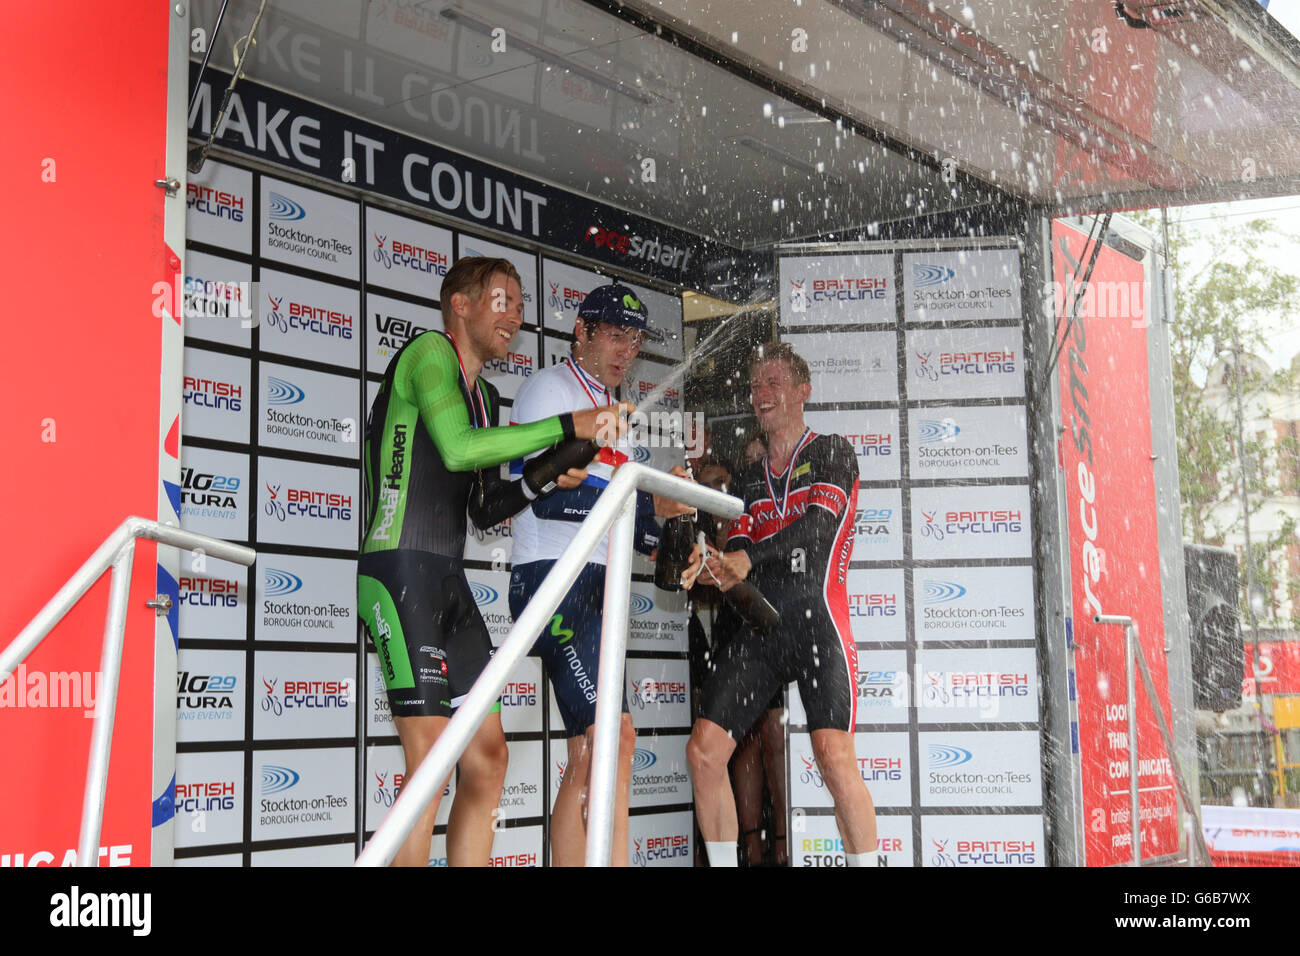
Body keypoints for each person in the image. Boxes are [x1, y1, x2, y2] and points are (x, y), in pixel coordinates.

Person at [357, 257, 630, 867]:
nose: (517, 316)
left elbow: (484, 508)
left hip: (447, 582)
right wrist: (567, 424)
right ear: (460, 304)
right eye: (503, 300)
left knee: (486, 759)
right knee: (431, 766)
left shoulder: (482, 394)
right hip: (397, 571)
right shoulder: (429, 353)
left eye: (521, 304)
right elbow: (456, 451)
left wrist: (549, 472)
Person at [508, 282, 692, 866]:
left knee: (597, 747)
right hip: (551, 582)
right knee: (610, 741)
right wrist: (644, 504)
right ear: (581, 332)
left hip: (600, 590)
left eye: (634, 339)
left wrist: (677, 541)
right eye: (614, 335)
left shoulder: (620, 421)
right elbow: (543, 497)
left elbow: (633, 529)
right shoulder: (549, 389)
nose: (626, 350)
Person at [683, 342, 882, 867]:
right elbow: (741, 550)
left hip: (820, 624)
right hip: (766, 630)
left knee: (834, 758)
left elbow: (818, 528)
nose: (761, 392)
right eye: (754, 384)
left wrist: (749, 560)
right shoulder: (750, 477)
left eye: (773, 381)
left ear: (802, 391)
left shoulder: (833, 449)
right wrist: (716, 566)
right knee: (704, 753)